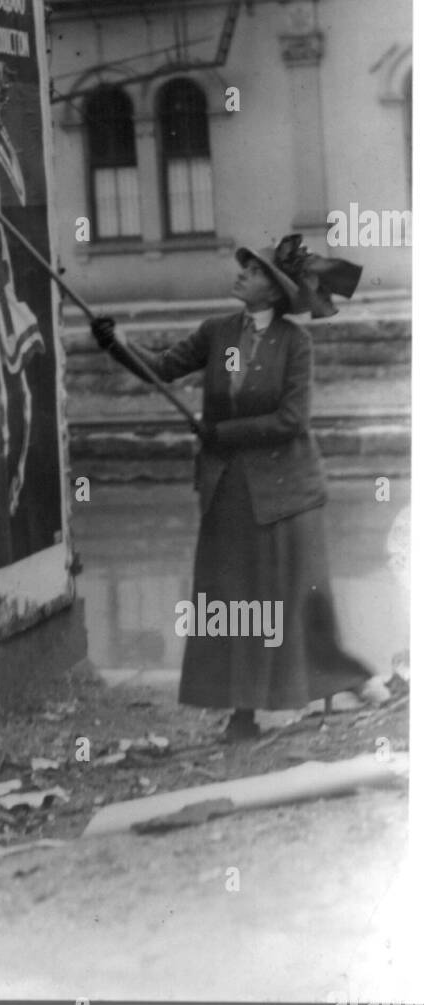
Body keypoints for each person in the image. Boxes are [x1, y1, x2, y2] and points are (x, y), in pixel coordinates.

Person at [92, 235, 380, 740]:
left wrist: (222, 433)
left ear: (273, 290)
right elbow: (162, 369)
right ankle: (242, 713)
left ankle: (351, 680)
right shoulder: (217, 332)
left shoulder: (296, 343)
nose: (242, 273)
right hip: (227, 489)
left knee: (291, 601)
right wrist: (115, 345)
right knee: (231, 602)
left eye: (253, 270)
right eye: (244, 266)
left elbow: (293, 419)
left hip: (287, 492)